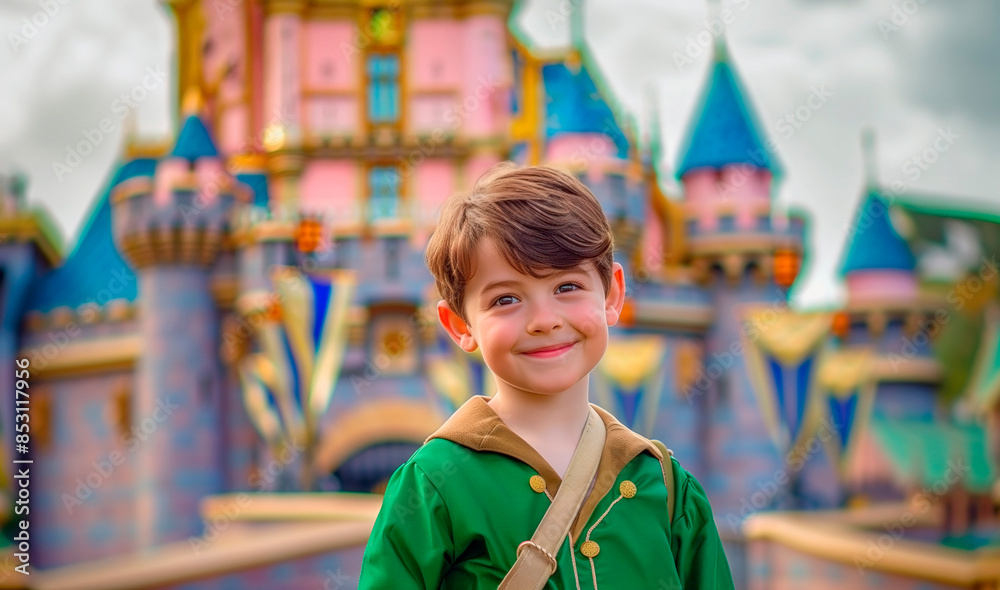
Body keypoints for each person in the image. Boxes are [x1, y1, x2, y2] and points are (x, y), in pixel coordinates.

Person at [359, 163, 734, 589]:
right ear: (461, 326)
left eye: (567, 287)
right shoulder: (432, 487)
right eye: (506, 298)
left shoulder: (666, 488)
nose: (543, 320)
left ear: (611, 295)